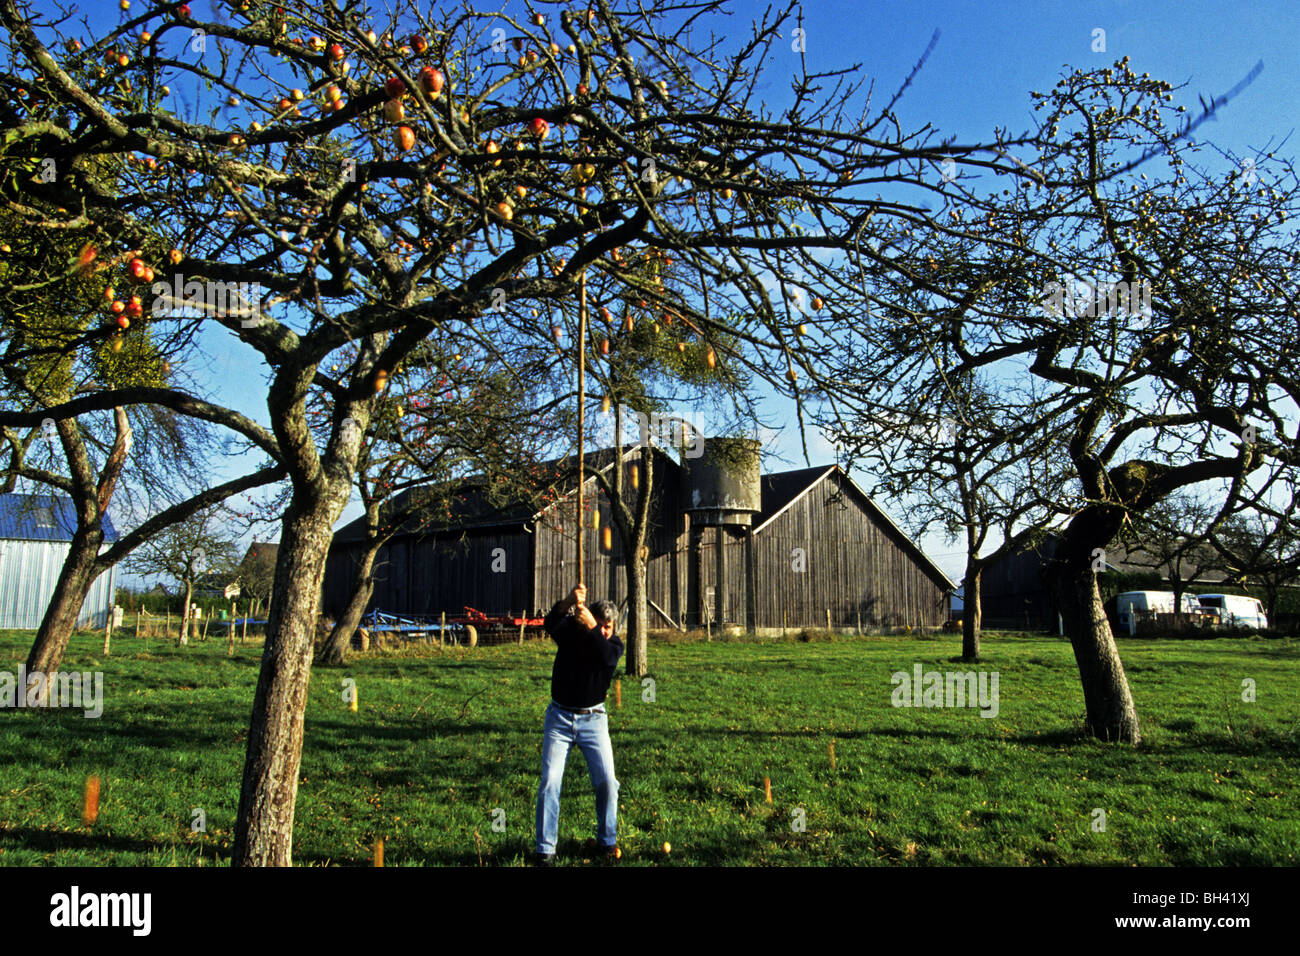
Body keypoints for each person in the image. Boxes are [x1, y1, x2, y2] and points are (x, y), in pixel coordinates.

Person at [534, 584, 623, 866]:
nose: (606, 630)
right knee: (550, 782)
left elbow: (605, 656)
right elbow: (551, 623)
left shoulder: (613, 646)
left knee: (607, 782)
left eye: (609, 626)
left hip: (594, 719)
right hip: (559, 718)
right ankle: (545, 849)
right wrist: (568, 602)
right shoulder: (573, 635)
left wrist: (595, 627)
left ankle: (606, 842)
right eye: (602, 624)